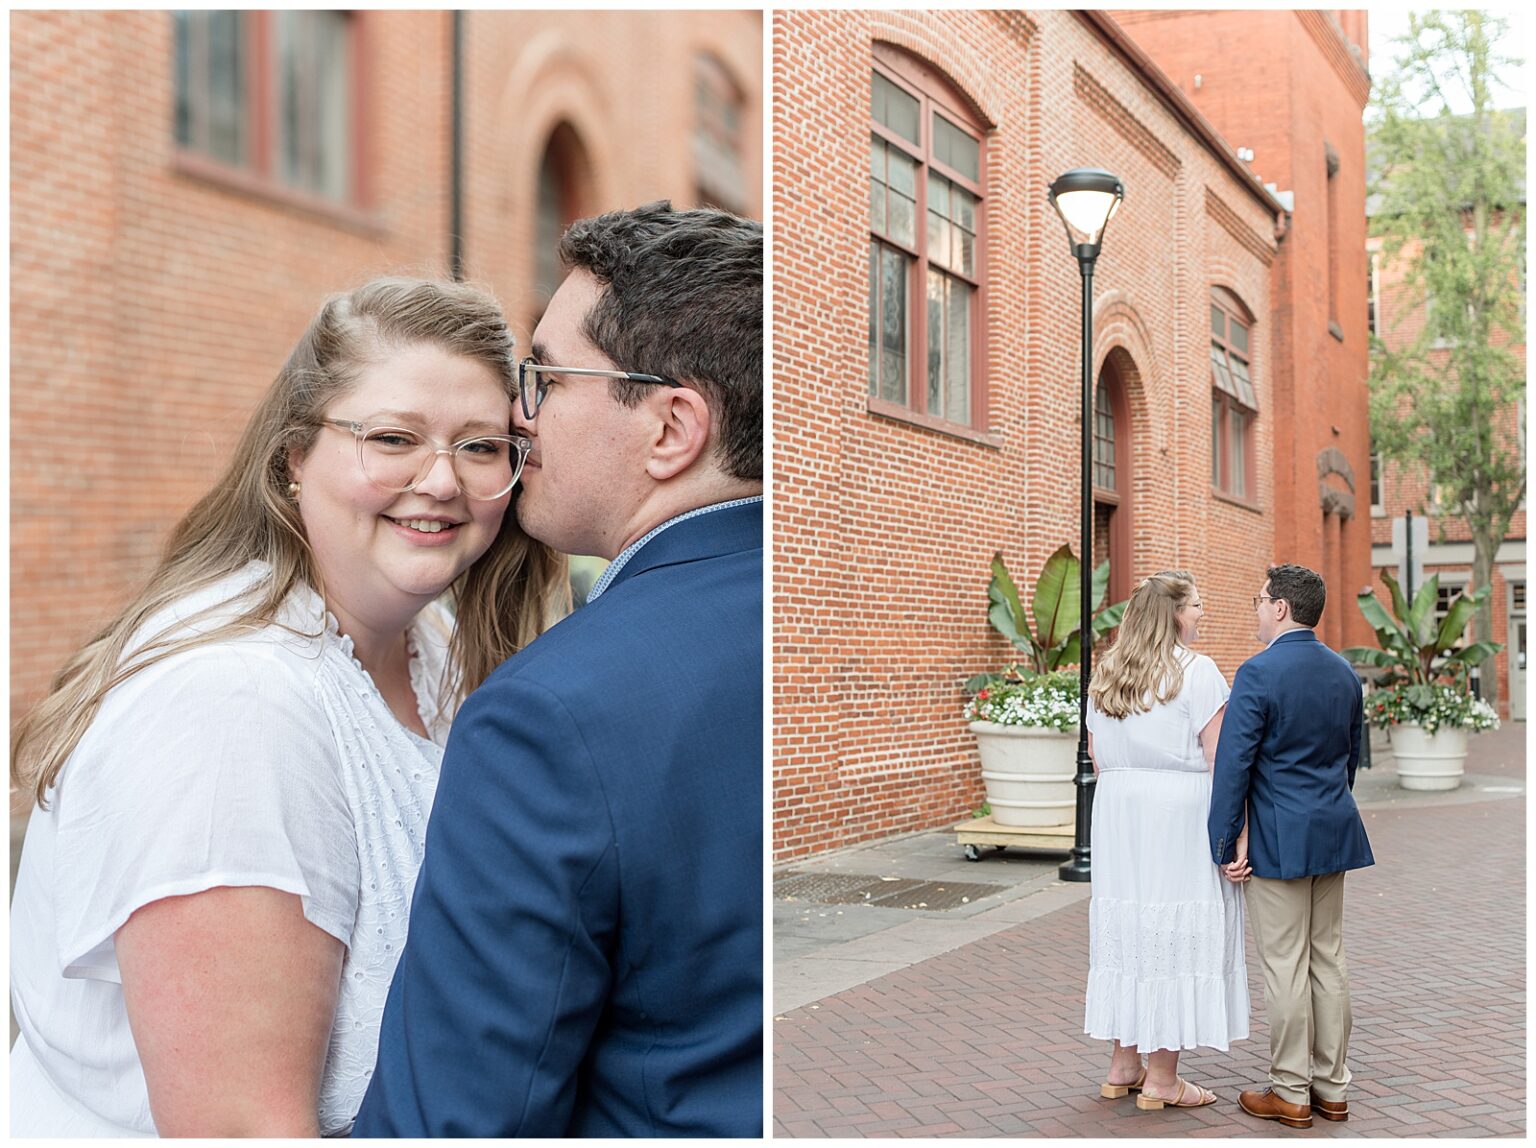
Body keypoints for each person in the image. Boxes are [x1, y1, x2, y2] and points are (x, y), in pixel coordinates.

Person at [9, 278, 567, 1137]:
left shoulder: (439, 653)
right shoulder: (230, 707)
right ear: (293, 456)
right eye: (392, 438)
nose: (441, 480)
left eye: (482, 447)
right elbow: (240, 1128)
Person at [353, 202, 764, 1138]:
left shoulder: (550, 714)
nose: (516, 414)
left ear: (672, 429)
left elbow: (452, 1121)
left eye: (546, 376)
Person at [1209, 563, 1374, 1129]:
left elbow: (1234, 768)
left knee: (1285, 964)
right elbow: (1351, 758)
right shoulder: (1344, 673)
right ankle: (1333, 1088)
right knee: (1329, 958)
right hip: (1333, 829)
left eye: (1259, 600)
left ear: (1280, 607)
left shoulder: (1258, 673)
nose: (1255, 609)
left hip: (1279, 837)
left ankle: (1290, 1091)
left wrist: (1224, 841)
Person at [1084, 571, 1249, 1111]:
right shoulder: (1196, 672)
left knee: (1130, 928)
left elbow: (1096, 754)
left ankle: (1122, 1065)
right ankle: (1161, 1080)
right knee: (1174, 929)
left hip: (1120, 811)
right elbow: (1220, 760)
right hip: (1176, 813)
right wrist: (1236, 834)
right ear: (1174, 614)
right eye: (1197, 605)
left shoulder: (1108, 672)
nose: (1202, 614)